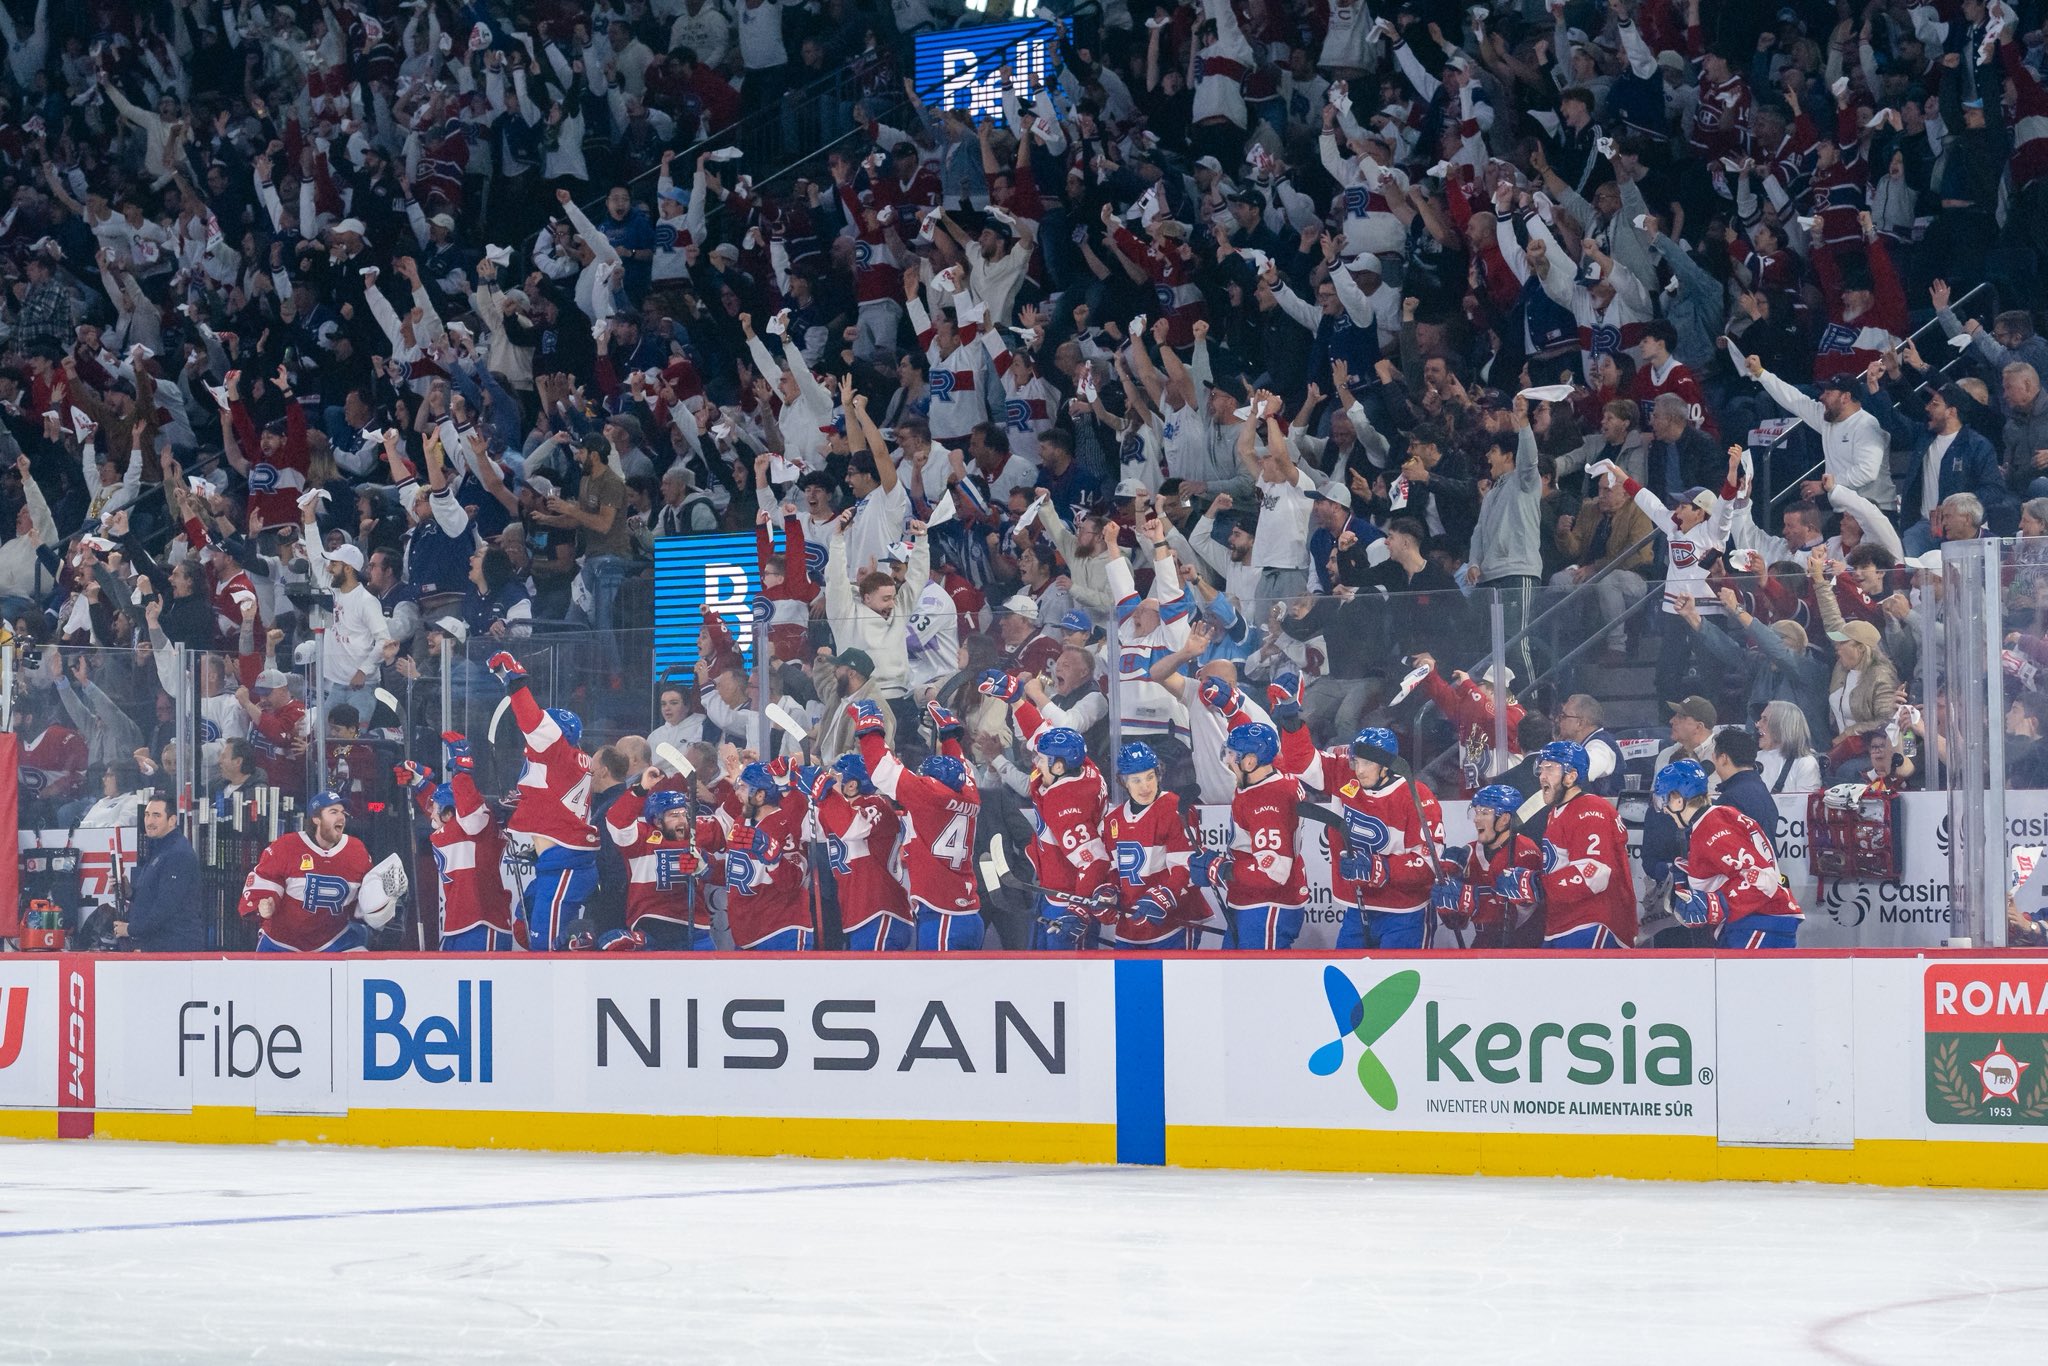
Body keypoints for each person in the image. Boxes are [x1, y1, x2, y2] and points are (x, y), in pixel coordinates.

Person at [1274, 679, 1443, 950]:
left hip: (1404, 912)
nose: (1360, 770)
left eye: (1368, 763)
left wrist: (1382, 869)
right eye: (1357, 761)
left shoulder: (1417, 796)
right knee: (1350, 981)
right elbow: (1303, 763)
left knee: (1395, 987)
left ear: (1388, 766)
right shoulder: (1345, 773)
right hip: (1358, 907)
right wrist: (1292, 720)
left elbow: (1428, 864)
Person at [485, 650, 600, 952]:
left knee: (546, 950)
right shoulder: (566, 763)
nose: (529, 737)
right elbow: (554, 797)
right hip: (558, 862)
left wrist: (515, 682)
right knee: (531, 924)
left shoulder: (559, 752)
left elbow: (532, 722)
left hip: (567, 865)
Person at [853, 699, 984, 950]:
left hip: (942, 914)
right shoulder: (969, 794)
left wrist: (870, 728)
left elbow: (882, 769)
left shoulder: (930, 796)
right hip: (968, 914)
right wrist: (949, 738)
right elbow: (962, 769)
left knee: (937, 989)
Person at [998, 687, 1113, 951]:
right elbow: (1039, 733)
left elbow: (1094, 861)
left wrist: (1078, 909)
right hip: (1056, 890)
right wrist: (1016, 700)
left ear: (1059, 766)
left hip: (1066, 899)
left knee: (1063, 979)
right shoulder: (1083, 765)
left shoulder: (1064, 801)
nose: (1036, 762)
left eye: (1042, 758)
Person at [1656, 760, 1803, 949]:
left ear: (1677, 799)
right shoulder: (1719, 816)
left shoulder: (1713, 828)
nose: (1664, 809)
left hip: (1759, 923)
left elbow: (1758, 879)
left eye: (1662, 801)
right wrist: (1690, 875)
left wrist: (1716, 904)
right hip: (1753, 923)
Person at [1191, 721, 1309, 950]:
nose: (1228, 762)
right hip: (1253, 902)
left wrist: (1223, 869)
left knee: (1259, 982)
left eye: (1233, 755)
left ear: (1250, 761)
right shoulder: (1265, 778)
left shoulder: (1267, 801)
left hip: (1268, 906)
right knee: (1238, 979)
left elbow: (1273, 872)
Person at [396, 732, 515, 952]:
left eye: (436, 808)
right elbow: (445, 810)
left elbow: (466, 810)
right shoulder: (452, 828)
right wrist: (420, 784)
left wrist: (462, 771)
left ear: (451, 814)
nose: (430, 813)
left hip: (484, 925)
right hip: (456, 926)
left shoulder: (478, 826)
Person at [236, 789, 396, 953]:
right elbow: (264, 882)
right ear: (316, 819)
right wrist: (263, 904)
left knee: (364, 966)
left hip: (335, 940)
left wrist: (383, 906)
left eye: (342, 812)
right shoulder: (286, 846)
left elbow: (362, 901)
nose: (341, 817)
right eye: (333, 812)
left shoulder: (356, 851)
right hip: (282, 942)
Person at [802, 753, 912, 951]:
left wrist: (824, 794)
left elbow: (851, 828)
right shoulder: (834, 810)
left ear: (851, 785)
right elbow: (803, 830)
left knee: (876, 980)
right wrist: (791, 785)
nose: (828, 778)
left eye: (834, 775)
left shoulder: (876, 804)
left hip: (881, 912)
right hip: (856, 915)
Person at [1532, 741, 1635, 949]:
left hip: (1592, 924)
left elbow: (1594, 872)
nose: (1542, 775)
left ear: (1571, 776)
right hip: (1563, 924)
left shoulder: (1590, 809)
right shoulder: (1557, 811)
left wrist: (1538, 885)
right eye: (1541, 768)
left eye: (1550, 768)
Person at [605, 767, 722, 950]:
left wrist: (706, 866)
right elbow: (617, 823)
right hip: (653, 927)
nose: (682, 820)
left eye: (684, 814)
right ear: (658, 821)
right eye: (674, 816)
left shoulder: (695, 832)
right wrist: (640, 789)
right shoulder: (641, 837)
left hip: (696, 929)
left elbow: (727, 824)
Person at [1105, 742, 1204, 950]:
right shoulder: (1113, 820)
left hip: (1174, 922)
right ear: (1123, 782)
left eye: (1150, 776)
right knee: (1129, 983)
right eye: (1136, 780)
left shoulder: (1175, 809)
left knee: (1174, 983)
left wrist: (1164, 895)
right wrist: (1108, 893)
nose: (1145, 786)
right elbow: (1114, 870)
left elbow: (1186, 866)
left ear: (1158, 774)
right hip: (1131, 924)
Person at [714, 758, 814, 951]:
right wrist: (706, 867)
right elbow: (740, 874)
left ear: (760, 795)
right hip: (746, 934)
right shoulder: (741, 822)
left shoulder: (784, 822)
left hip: (782, 931)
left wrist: (773, 855)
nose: (736, 792)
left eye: (742, 787)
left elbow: (793, 881)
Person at [1438, 784, 1544, 949]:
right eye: (1476, 812)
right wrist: (1449, 899)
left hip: (1522, 945)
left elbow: (1522, 915)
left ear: (1504, 819)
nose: (1476, 818)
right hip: (1483, 943)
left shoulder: (1525, 852)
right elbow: (1458, 922)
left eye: (1485, 813)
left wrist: (1474, 903)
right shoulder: (1469, 852)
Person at [119, 795, 205, 952]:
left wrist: (131, 929)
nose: (149, 821)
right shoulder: (160, 847)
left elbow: (166, 907)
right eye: (147, 815)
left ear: (172, 820)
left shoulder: (178, 853)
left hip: (175, 948)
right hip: (160, 945)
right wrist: (130, 892)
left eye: (156, 815)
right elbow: (154, 895)